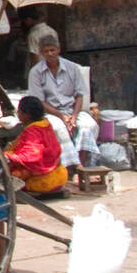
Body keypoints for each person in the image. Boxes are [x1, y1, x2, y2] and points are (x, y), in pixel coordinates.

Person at [27, 29, 96, 173]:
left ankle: (81, 167)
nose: (50, 54)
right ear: (41, 52)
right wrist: (61, 116)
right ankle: (69, 169)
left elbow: (79, 95)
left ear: (58, 50)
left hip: (73, 110)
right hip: (50, 112)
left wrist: (74, 116)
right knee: (59, 128)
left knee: (87, 125)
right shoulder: (36, 72)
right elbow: (39, 101)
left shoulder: (72, 68)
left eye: (52, 50)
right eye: (46, 51)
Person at [5, 95, 68, 196]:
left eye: (20, 111)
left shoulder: (32, 131)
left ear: (27, 115)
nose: (18, 113)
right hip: (60, 176)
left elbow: (31, 156)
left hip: (43, 181)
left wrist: (7, 156)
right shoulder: (45, 124)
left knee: (11, 174)